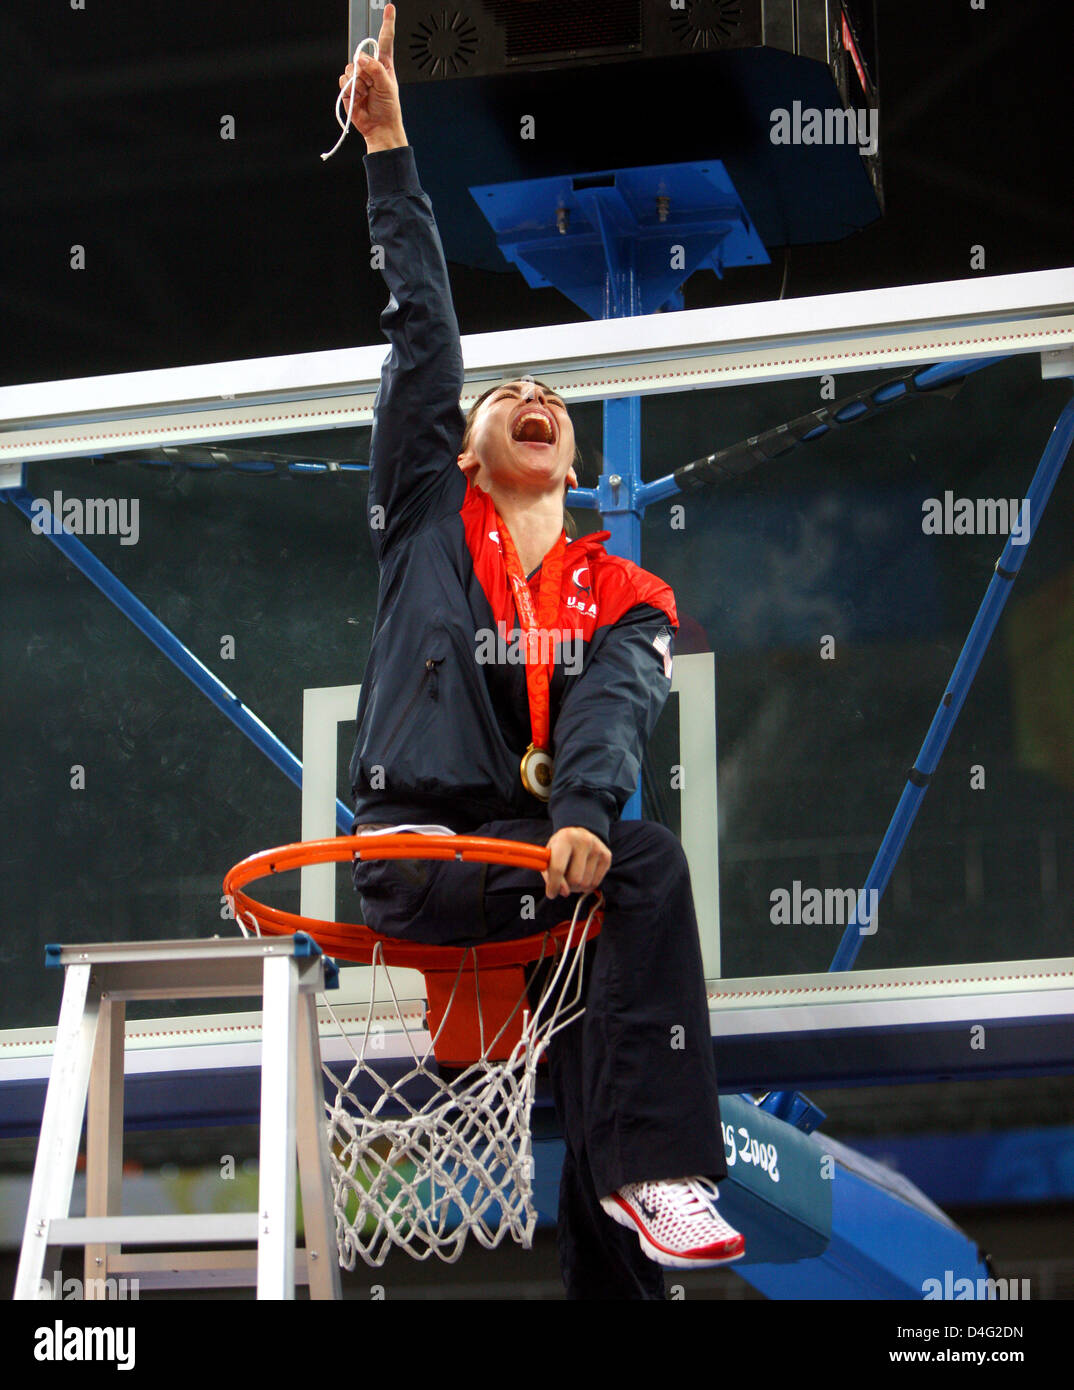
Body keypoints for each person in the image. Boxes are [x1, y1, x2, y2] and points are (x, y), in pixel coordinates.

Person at [342, 4, 744, 1299]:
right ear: (462, 446)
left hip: (534, 869)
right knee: (613, 889)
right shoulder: (421, 517)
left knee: (628, 889)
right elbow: (423, 338)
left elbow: (614, 707)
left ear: (573, 463)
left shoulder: (620, 587)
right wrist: (393, 155)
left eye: (553, 405)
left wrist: (581, 811)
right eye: (507, 395)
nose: (533, 399)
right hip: (420, 858)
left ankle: (645, 1185)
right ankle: (645, 1167)